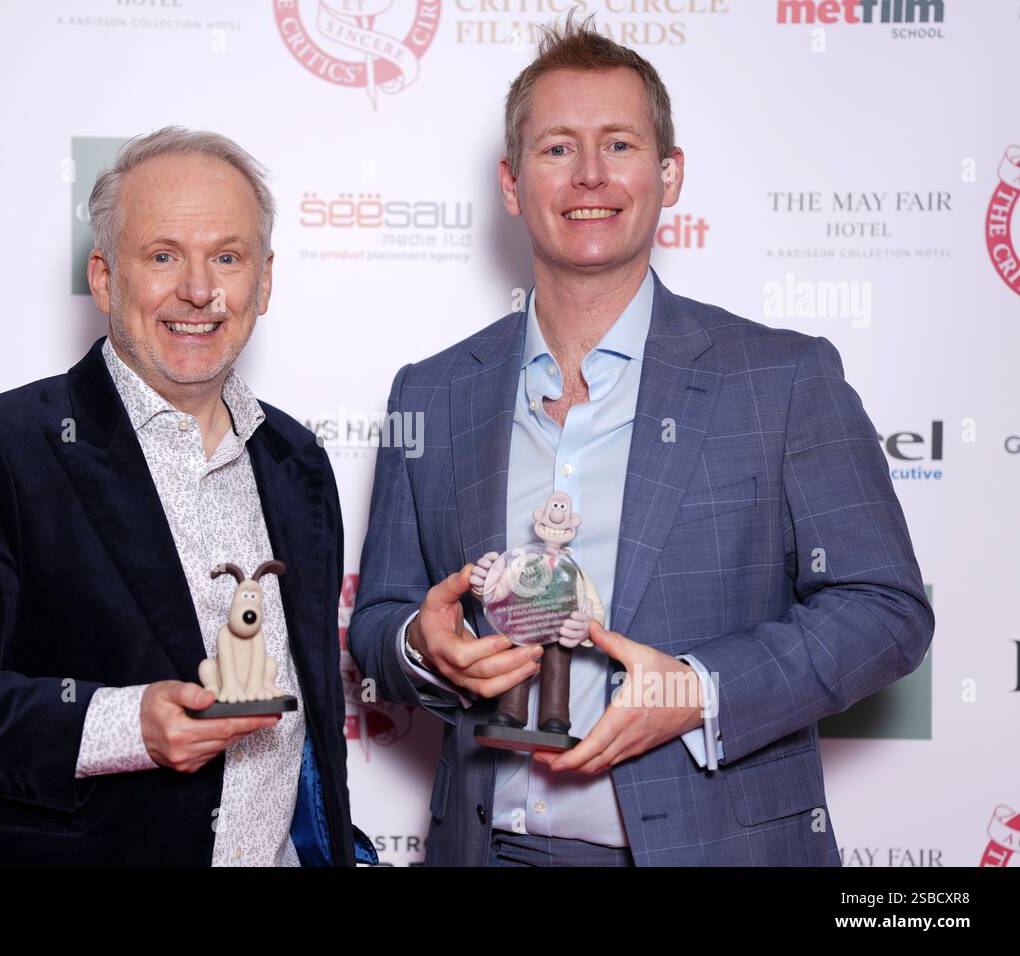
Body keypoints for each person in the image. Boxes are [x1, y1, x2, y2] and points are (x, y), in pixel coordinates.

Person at [347, 14, 933, 867]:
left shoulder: (782, 379)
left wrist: (698, 691)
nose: (590, 175)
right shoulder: (432, 393)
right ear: (511, 183)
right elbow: (380, 622)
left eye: (619, 144)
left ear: (669, 174)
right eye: (557, 149)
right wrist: (419, 648)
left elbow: (886, 611)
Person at [0, 126, 374, 867]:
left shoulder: (297, 461)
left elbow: (307, 733)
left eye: (226, 258)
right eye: (163, 256)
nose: (198, 290)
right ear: (103, 278)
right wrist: (124, 723)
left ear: (263, 281)